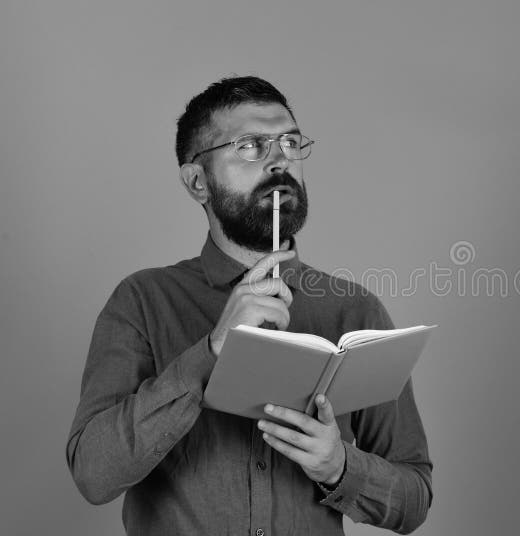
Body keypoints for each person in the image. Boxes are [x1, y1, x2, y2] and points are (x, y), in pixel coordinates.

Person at [65, 76, 433, 535]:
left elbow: (414, 499)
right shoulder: (142, 301)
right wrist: (213, 349)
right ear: (198, 181)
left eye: (290, 142)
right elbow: (93, 475)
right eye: (251, 145)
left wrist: (340, 467)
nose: (281, 159)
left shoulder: (353, 311)